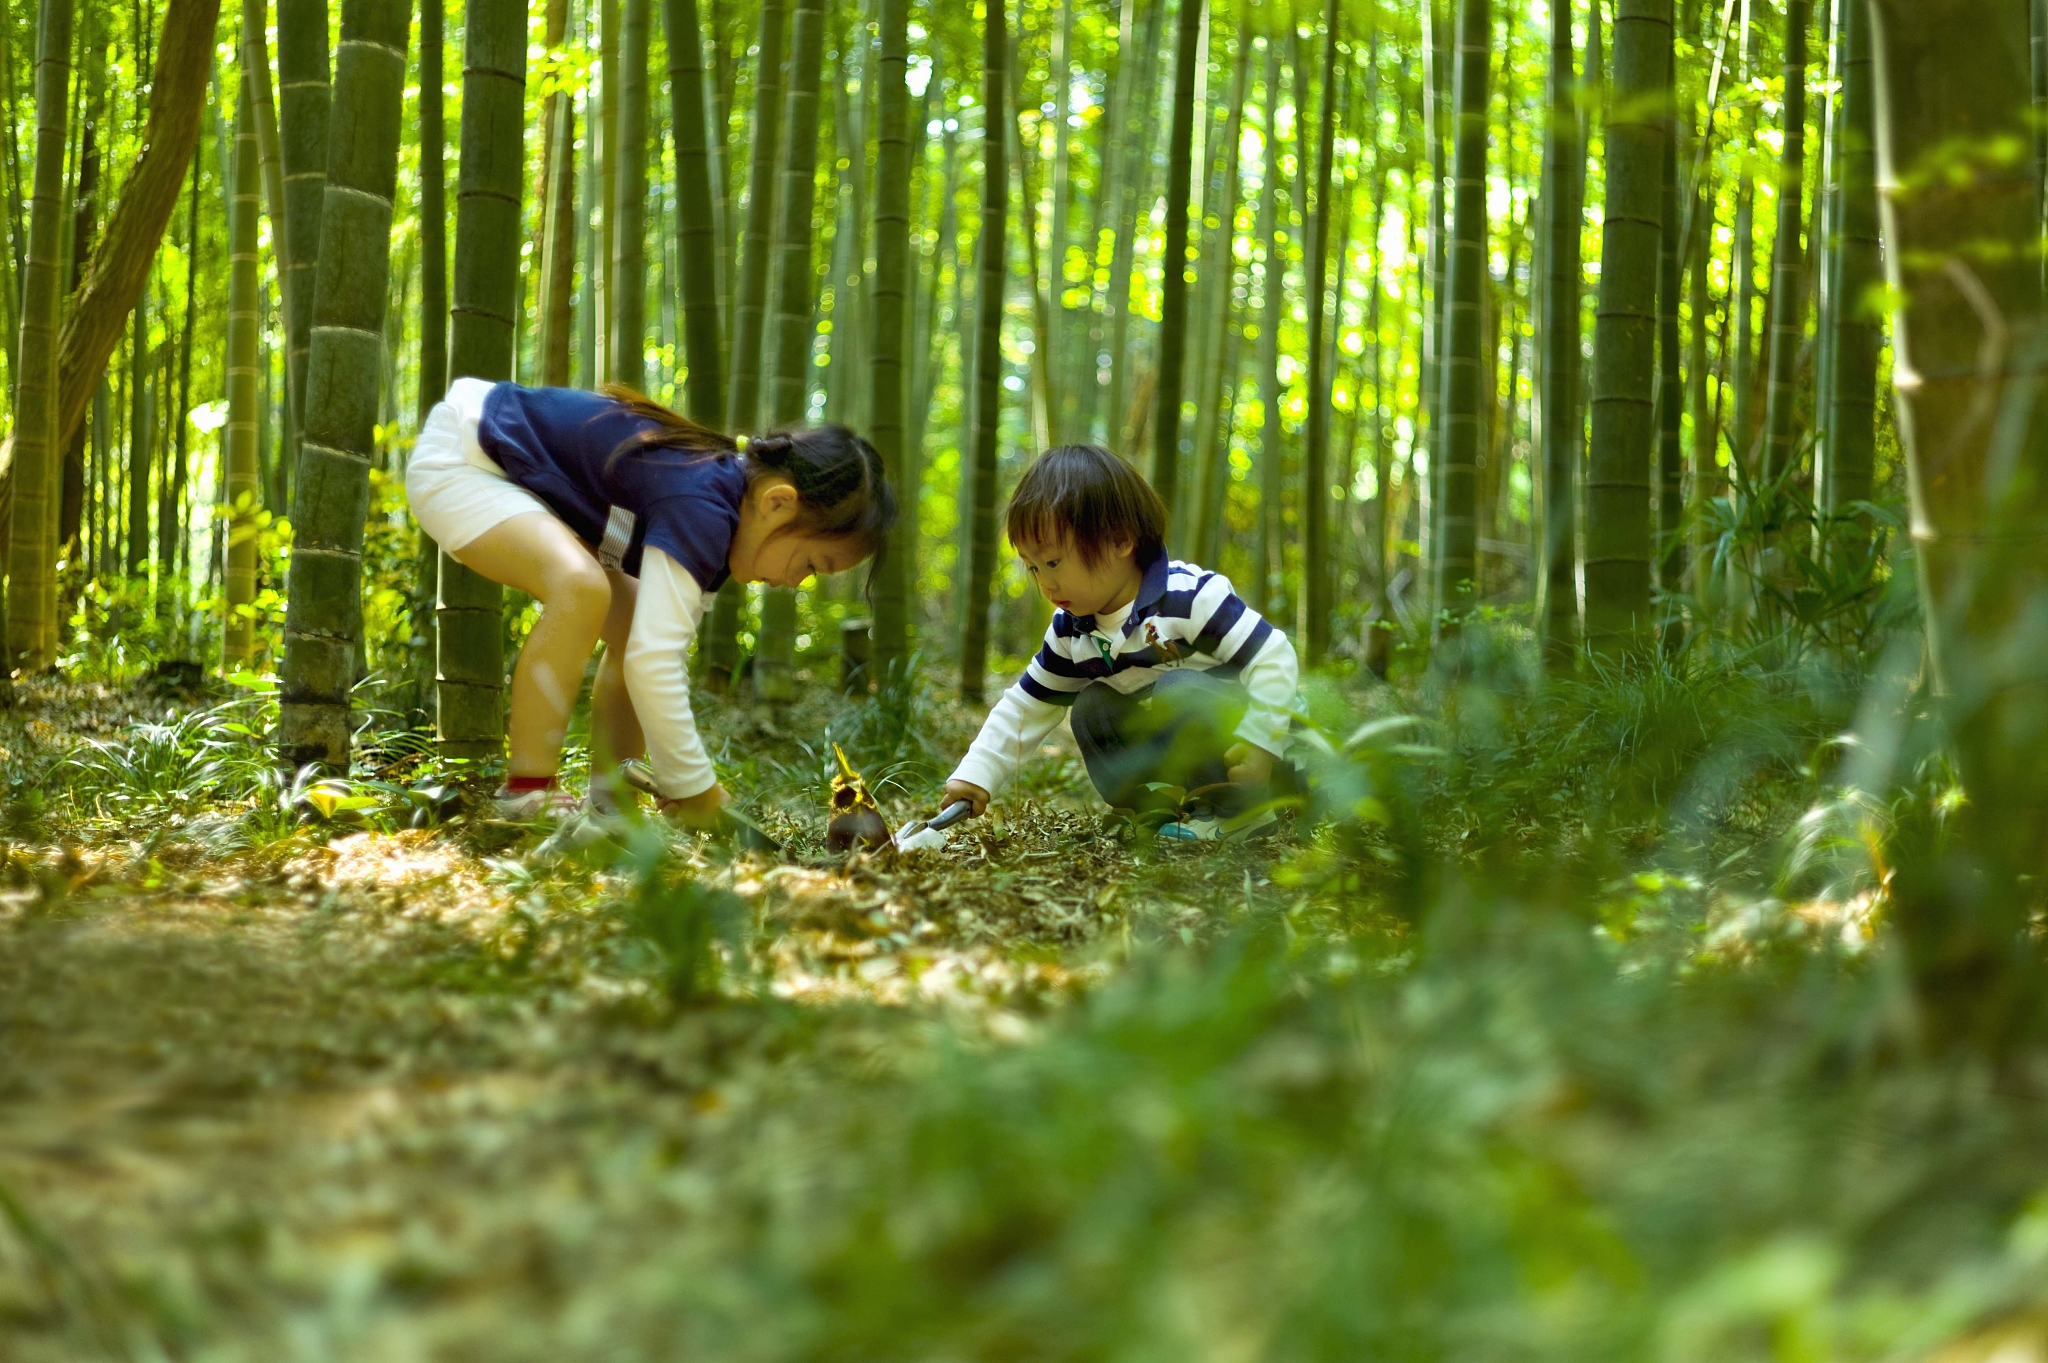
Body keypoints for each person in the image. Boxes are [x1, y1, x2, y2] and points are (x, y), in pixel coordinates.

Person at [406, 378, 894, 822]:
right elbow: (653, 662)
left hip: (513, 479)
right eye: (812, 564)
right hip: (467, 458)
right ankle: (527, 791)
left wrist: (674, 778)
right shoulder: (703, 501)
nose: (799, 582)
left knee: (634, 620)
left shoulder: (721, 518)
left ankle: (613, 799)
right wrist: (694, 784)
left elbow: (650, 649)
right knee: (581, 587)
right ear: (778, 502)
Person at [942, 444, 1299, 841]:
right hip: (1173, 765)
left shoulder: (1190, 598)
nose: (1045, 583)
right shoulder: (1071, 629)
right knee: (1092, 706)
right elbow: (1027, 705)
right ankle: (1155, 816)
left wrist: (1261, 742)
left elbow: (1273, 655)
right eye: (1033, 567)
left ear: (1119, 540)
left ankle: (1241, 816)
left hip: (1245, 762)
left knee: (1177, 690)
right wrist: (975, 775)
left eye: (1054, 562)